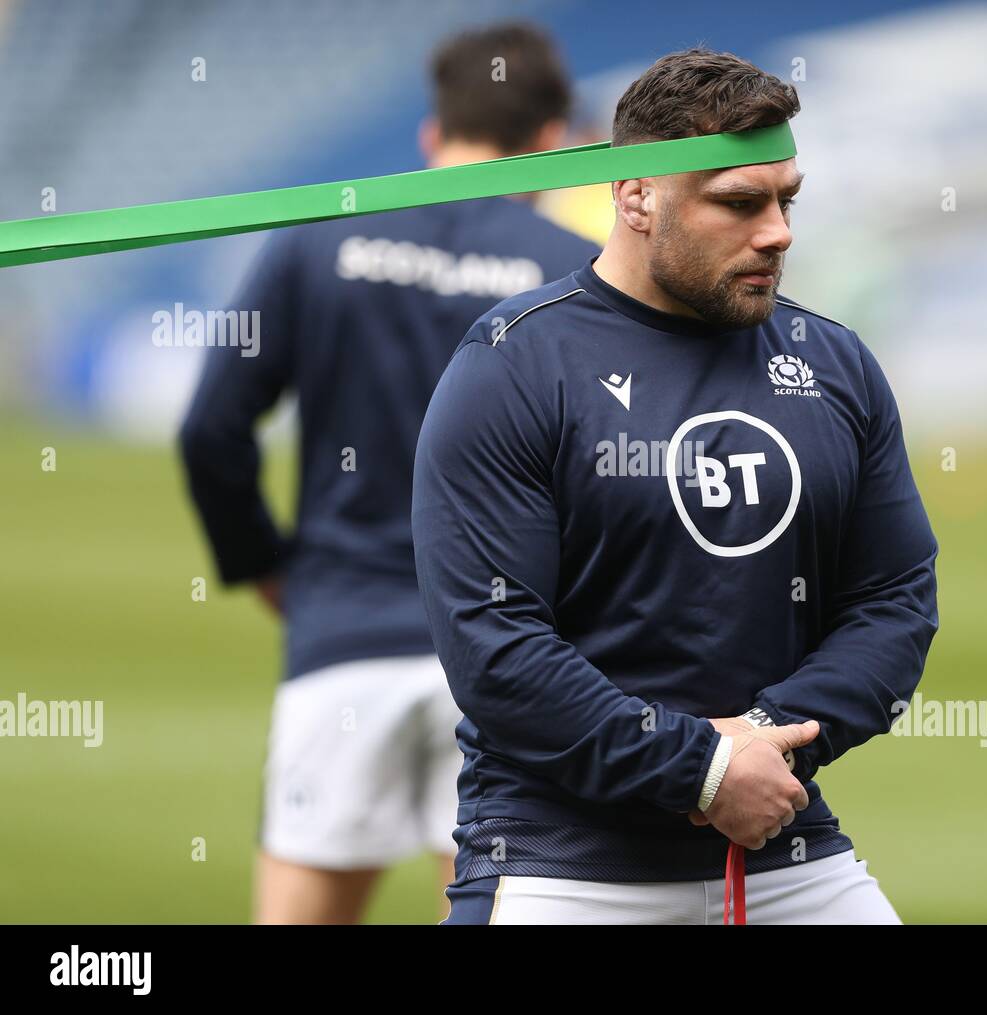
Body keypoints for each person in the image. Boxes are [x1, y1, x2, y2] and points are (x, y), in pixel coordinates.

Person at [411, 47, 940, 925]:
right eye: (740, 202)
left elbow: (895, 601)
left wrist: (765, 742)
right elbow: (494, 646)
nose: (778, 231)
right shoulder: (513, 363)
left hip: (785, 852)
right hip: (565, 864)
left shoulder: (836, 362)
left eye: (786, 199)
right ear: (637, 197)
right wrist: (696, 764)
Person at [178, 22, 599, 924]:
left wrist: (266, 567)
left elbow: (211, 426)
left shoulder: (319, 239)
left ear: (431, 132)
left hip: (343, 645)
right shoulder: (574, 274)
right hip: (508, 661)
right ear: (554, 141)